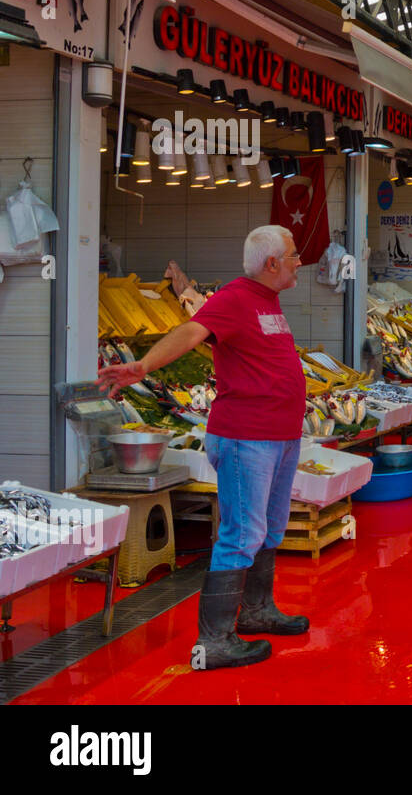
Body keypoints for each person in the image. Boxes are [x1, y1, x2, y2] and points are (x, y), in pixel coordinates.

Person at [98, 226, 309, 670]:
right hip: (246, 439)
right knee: (240, 534)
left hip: (280, 437)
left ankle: (255, 611)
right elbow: (191, 331)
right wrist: (142, 366)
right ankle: (214, 640)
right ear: (272, 263)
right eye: (293, 255)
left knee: (270, 529)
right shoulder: (235, 298)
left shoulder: (268, 301)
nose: (299, 261)